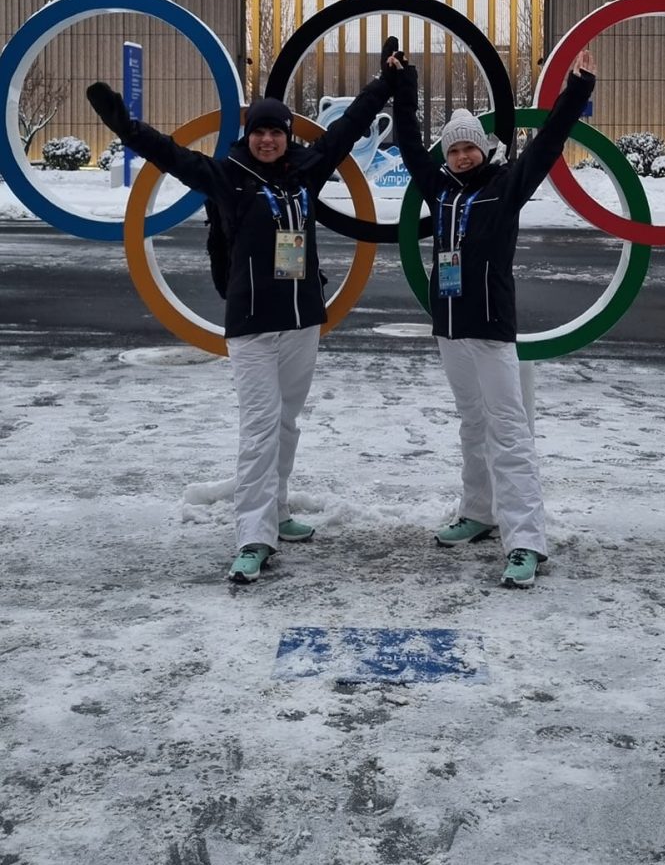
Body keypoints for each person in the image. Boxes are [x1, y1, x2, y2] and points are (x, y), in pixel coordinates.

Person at [87, 41, 401, 584]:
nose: (267, 139)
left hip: (303, 319)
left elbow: (349, 127)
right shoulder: (225, 175)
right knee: (258, 428)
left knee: (285, 422)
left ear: (287, 135)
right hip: (253, 326)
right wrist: (125, 126)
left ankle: (276, 510)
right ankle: (253, 535)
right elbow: (169, 154)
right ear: (248, 135)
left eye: (276, 131)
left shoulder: (307, 169)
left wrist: (384, 85)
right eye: (259, 131)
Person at [391, 45, 596, 589]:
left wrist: (576, 91)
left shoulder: (505, 187)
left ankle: (526, 540)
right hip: (450, 329)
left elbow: (548, 144)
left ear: (483, 152)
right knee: (472, 424)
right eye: (454, 150)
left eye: (469, 149)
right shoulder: (438, 190)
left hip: (490, 328)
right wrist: (405, 82)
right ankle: (479, 512)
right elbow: (410, 143)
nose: (461, 156)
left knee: (508, 429)